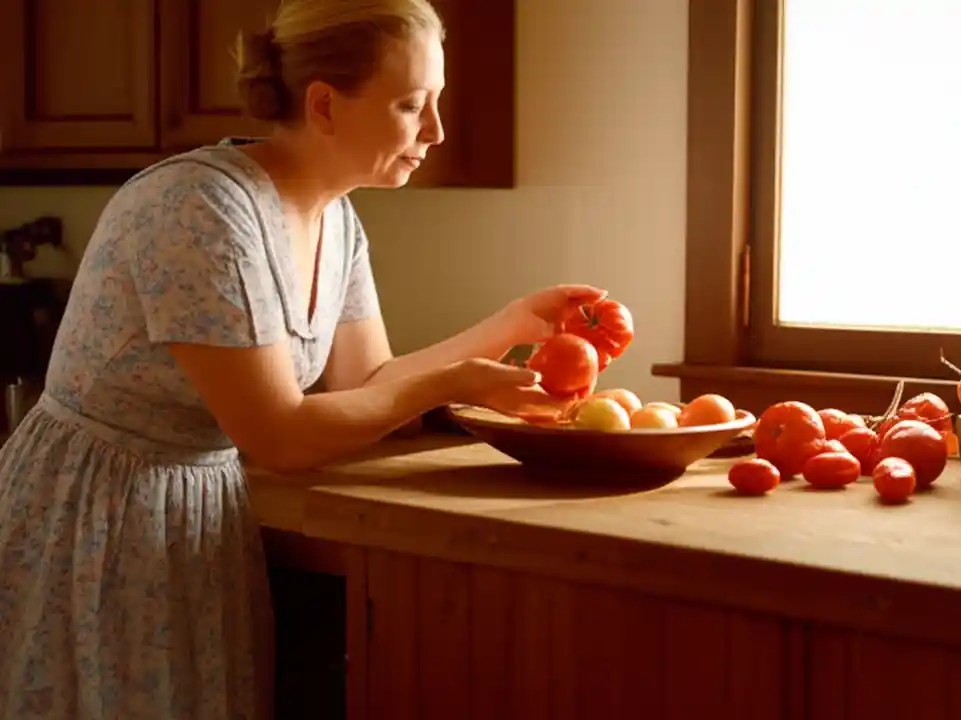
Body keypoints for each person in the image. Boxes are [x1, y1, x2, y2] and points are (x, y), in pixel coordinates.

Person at [0, 0, 602, 716]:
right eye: (412, 105)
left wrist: (506, 328)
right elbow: (280, 433)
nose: (435, 131)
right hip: (96, 515)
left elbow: (364, 382)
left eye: (436, 103)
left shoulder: (335, 218)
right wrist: (447, 384)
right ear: (323, 104)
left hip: (195, 506)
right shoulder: (198, 207)